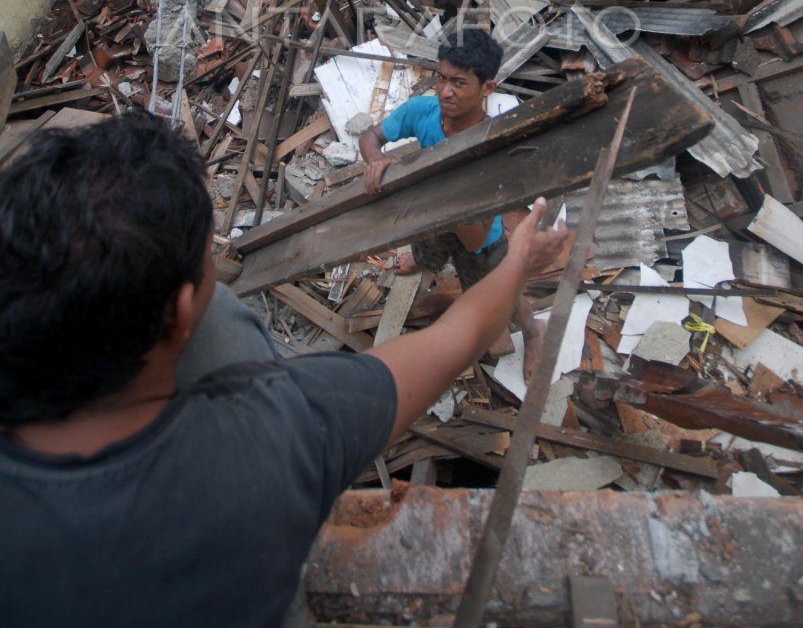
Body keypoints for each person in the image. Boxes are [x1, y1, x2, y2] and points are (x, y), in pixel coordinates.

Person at [0, 109, 569, 628]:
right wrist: (518, 260)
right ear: (176, 314)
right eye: (207, 256)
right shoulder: (265, 448)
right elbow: (451, 341)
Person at [359, 28, 546, 381]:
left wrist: (444, 193)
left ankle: (533, 332)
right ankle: (424, 259)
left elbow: (474, 239)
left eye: (459, 83)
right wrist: (375, 160)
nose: (445, 91)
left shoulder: (493, 147)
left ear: (487, 88)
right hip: (432, 218)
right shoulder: (422, 111)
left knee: (502, 295)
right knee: (426, 251)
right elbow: (370, 136)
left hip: (481, 240)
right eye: (442, 78)